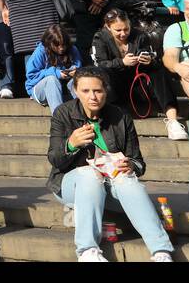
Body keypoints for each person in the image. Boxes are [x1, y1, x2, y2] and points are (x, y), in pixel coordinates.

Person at [47, 67, 173, 262]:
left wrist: (130, 165)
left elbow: (138, 162)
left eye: (98, 91)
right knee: (90, 175)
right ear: (76, 91)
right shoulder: (63, 114)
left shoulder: (120, 116)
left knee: (127, 180)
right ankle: (88, 251)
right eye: (86, 91)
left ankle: (161, 252)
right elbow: (55, 159)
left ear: (106, 91)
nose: (93, 97)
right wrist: (71, 144)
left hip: (112, 184)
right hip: (71, 183)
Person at [89, 8, 186, 140]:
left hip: (139, 82)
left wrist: (147, 58)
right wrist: (122, 62)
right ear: (108, 27)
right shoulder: (100, 38)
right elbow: (99, 64)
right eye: (118, 30)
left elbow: (150, 54)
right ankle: (111, 123)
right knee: (103, 73)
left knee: (159, 70)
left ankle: (173, 121)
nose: (123, 33)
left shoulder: (139, 35)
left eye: (126, 29)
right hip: (116, 85)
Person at [25, 23, 83, 115]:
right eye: (57, 45)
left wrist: (75, 72)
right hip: (41, 89)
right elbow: (32, 77)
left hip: (65, 87)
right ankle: (59, 120)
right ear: (49, 42)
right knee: (52, 80)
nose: (61, 48)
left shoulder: (72, 49)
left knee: (77, 80)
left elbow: (79, 67)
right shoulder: (40, 52)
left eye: (63, 45)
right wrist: (56, 73)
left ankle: (84, 116)